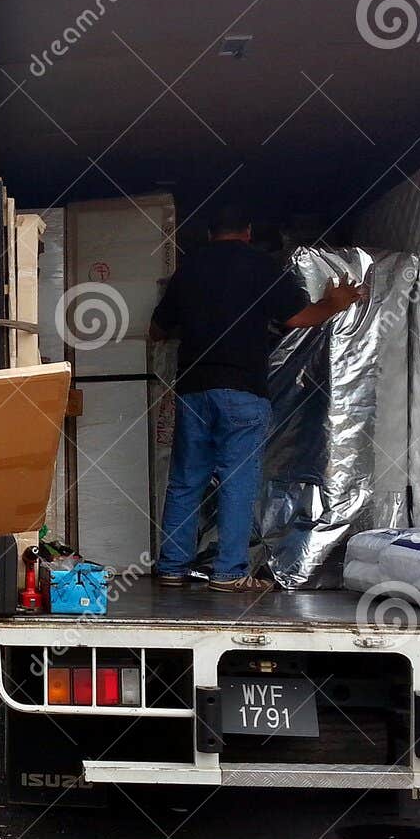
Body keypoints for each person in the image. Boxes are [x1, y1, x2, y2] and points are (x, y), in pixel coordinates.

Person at [149, 203, 362, 591]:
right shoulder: (262, 266)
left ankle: (171, 567)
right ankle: (228, 573)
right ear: (247, 230)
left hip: (195, 388)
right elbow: (297, 318)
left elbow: (157, 330)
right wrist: (335, 302)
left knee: (185, 478)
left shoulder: (190, 268)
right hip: (243, 390)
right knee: (237, 480)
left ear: (209, 233)